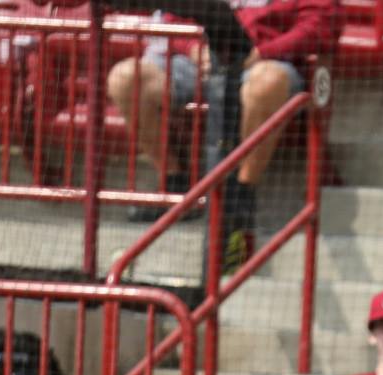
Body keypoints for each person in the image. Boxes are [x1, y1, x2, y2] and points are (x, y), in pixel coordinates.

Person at [107, 0, 339, 261]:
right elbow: (171, 15)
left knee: (267, 82)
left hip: (266, 61)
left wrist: (263, 52)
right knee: (125, 78)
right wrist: (194, 48)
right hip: (198, 61)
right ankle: (175, 184)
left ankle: (240, 198)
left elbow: (319, 26)